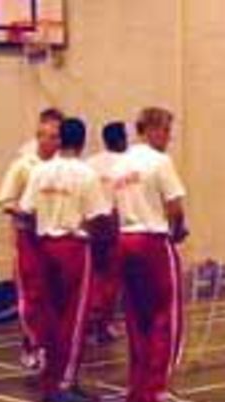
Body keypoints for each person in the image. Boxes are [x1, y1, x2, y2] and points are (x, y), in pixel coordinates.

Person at [19, 117, 116, 402]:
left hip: (44, 245)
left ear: (60, 139)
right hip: (72, 246)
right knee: (75, 318)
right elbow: (99, 216)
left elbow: (26, 211)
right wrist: (95, 239)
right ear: (83, 141)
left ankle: (51, 379)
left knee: (50, 315)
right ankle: (65, 381)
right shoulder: (85, 174)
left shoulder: (40, 171)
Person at [107, 107, 193, 402]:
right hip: (152, 240)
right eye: (167, 131)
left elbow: (112, 208)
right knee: (165, 315)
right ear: (153, 129)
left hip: (125, 239)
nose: (169, 138)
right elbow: (174, 205)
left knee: (136, 317)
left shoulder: (119, 166)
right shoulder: (159, 161)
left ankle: (138, 388)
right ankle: (157, 389)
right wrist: (178, 230)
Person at [0, 115, 61, 373]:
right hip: (30, 238)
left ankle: (53, 346)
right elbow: (5, 201)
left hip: (57, 238)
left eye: (58, 136)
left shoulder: (64, 166)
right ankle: (32, 346)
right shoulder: (23, 166)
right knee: (32, 295)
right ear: (39, 137)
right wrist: (28, 214)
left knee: (54, 295)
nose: (55, 141)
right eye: (50, 136)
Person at [86, 121, 131, 345]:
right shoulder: (126, 163)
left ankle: (91, 322)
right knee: (111, 277)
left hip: (90, 222)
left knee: (93, 274)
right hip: (112, 221)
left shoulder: (90, 163)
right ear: (122, 139)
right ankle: (103, 325)